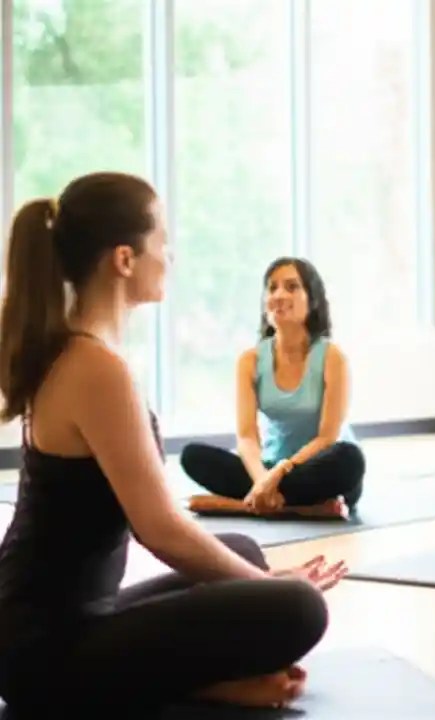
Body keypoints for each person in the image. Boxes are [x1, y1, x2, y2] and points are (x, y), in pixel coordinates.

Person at [0, 173, 347, 716]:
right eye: (162, 240)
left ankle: (195, 675)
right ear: (124, 258)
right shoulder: (93, 367)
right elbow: (159, 529)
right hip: (44, 656)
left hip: (54, 623)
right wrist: (265, 588)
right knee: (299, 607)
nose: (170, 254)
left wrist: (255, 579)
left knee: (243, 551)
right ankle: (194, 686)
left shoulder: (80, 351)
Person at [180, 258, 365, 520]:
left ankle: (243, 505)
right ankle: (303, 508)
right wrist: (262, 481)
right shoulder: (250, 361)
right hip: (269, 468)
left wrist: (279, 473)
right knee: (193, 456)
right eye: (272, 288)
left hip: (318, 467)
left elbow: (327, 437)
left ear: (312, 299)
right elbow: (246, 436)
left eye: (291, 287)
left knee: (350, 459)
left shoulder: (332, 357)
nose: (278, 295)